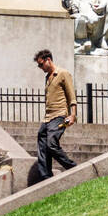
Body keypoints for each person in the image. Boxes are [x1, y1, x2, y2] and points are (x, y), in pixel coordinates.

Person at [34, 49, 78, 181]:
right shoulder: (48, 78)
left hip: (59, 115)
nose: (40, 68)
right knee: (42, 142)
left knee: (51, 144)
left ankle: (72, 167)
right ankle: (45, 176)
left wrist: (73, 115)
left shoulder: (63, 73)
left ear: (48, 60)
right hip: (47, 118)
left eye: (41, 64)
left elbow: (72, 96)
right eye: (38, 65)